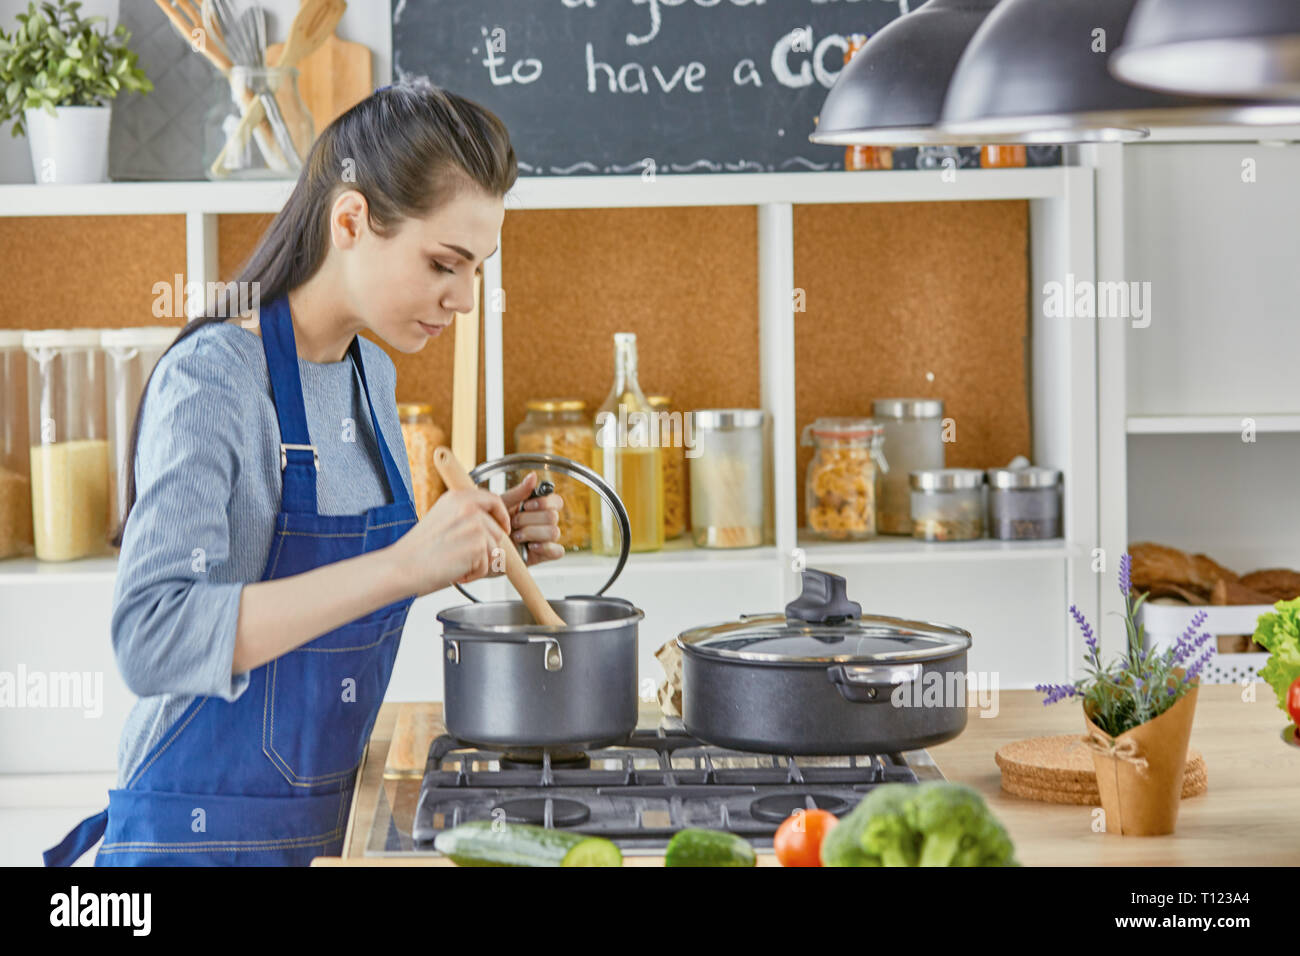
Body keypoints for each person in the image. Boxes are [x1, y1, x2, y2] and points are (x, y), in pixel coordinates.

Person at [43, 78, 563, 866]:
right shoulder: (215, 379)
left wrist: (472, 543)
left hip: (328, 834)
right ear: (351, 219)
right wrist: (401, 565)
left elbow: (361, 583)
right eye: (443, 263)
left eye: (477, 269)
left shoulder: (371, 376)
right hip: (201, 839)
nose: (462, 298)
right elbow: (149, 638)